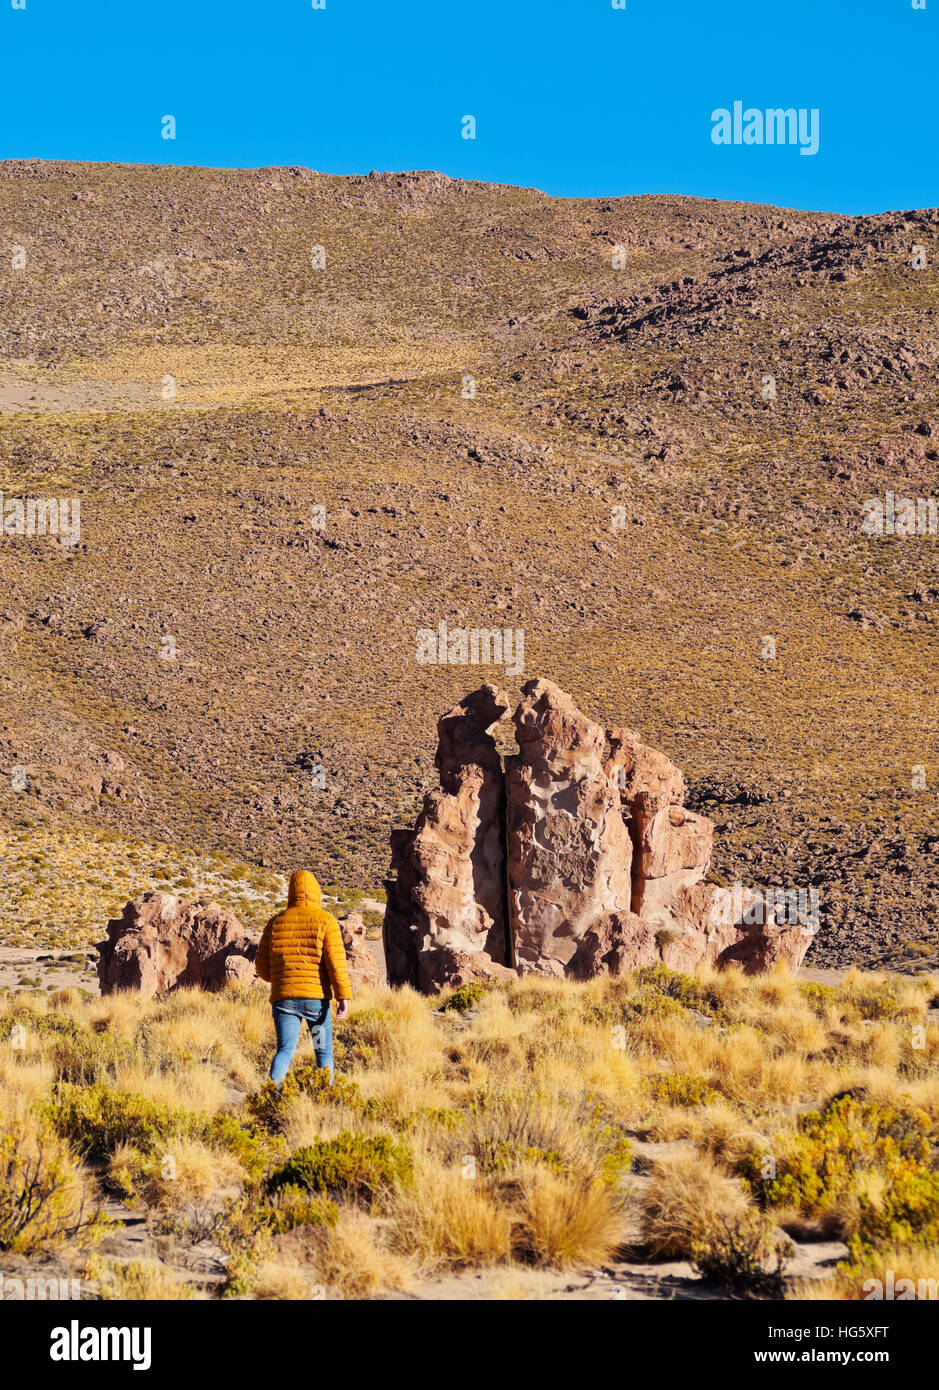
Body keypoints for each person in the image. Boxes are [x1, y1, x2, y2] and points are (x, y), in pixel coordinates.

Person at [255, 869, 351, 1085]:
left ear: (291, 892)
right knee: (322, 1052)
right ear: (316, 892)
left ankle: (271, 1097)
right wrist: (343, 996)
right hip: (316, 1003)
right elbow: (336, 963)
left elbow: (262, 968)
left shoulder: (275, 923)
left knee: (285, 1049)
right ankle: (325, 1098)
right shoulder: (326, 921)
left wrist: (281, 978)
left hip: (283, 1001)